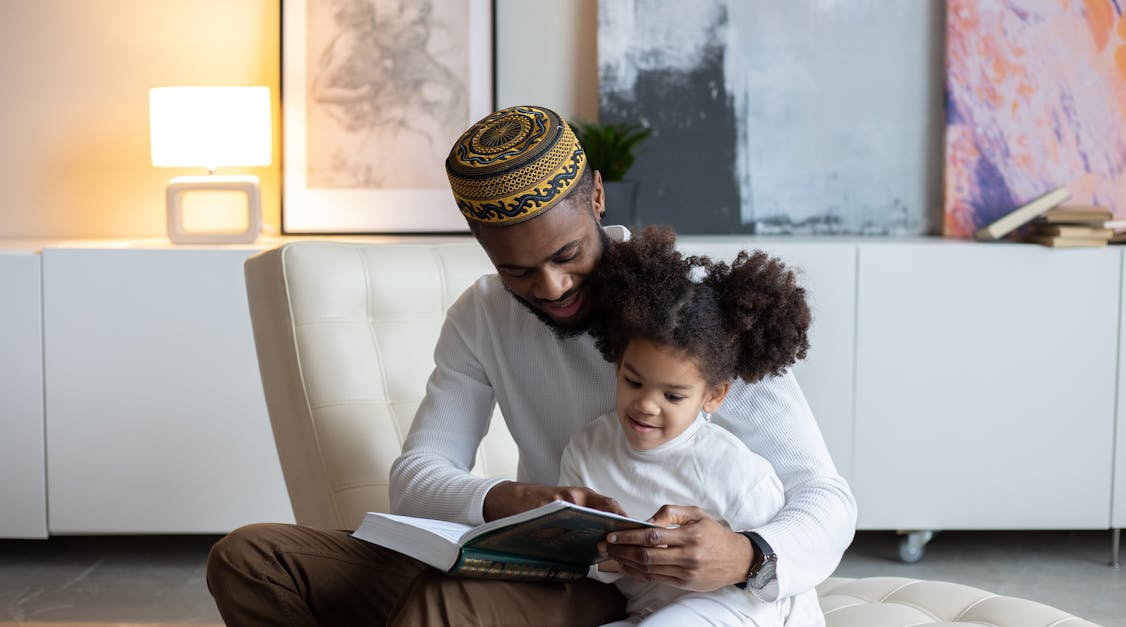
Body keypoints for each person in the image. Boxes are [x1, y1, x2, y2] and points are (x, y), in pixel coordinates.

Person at [207, 105, 856, 626]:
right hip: (527, 559)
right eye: (517, 268)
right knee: (252, 560)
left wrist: (748, 555)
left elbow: (825, 497)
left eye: (567, 253)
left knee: (442, 608)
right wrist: (509, 499)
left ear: (597, 195)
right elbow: (416, 476)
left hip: (629, 587)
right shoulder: (482, 315)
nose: (550, 286)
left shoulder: (691, 315)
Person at [560, 225, 820, 626]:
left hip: (739, 611)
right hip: (647, 611)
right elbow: (584, 562)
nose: (646, 404)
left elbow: (785, 585)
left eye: (673, 396)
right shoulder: (585, 450)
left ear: (713, 396)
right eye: (633, 381)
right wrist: (603, 558)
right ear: (617, 364)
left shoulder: (736, 471)